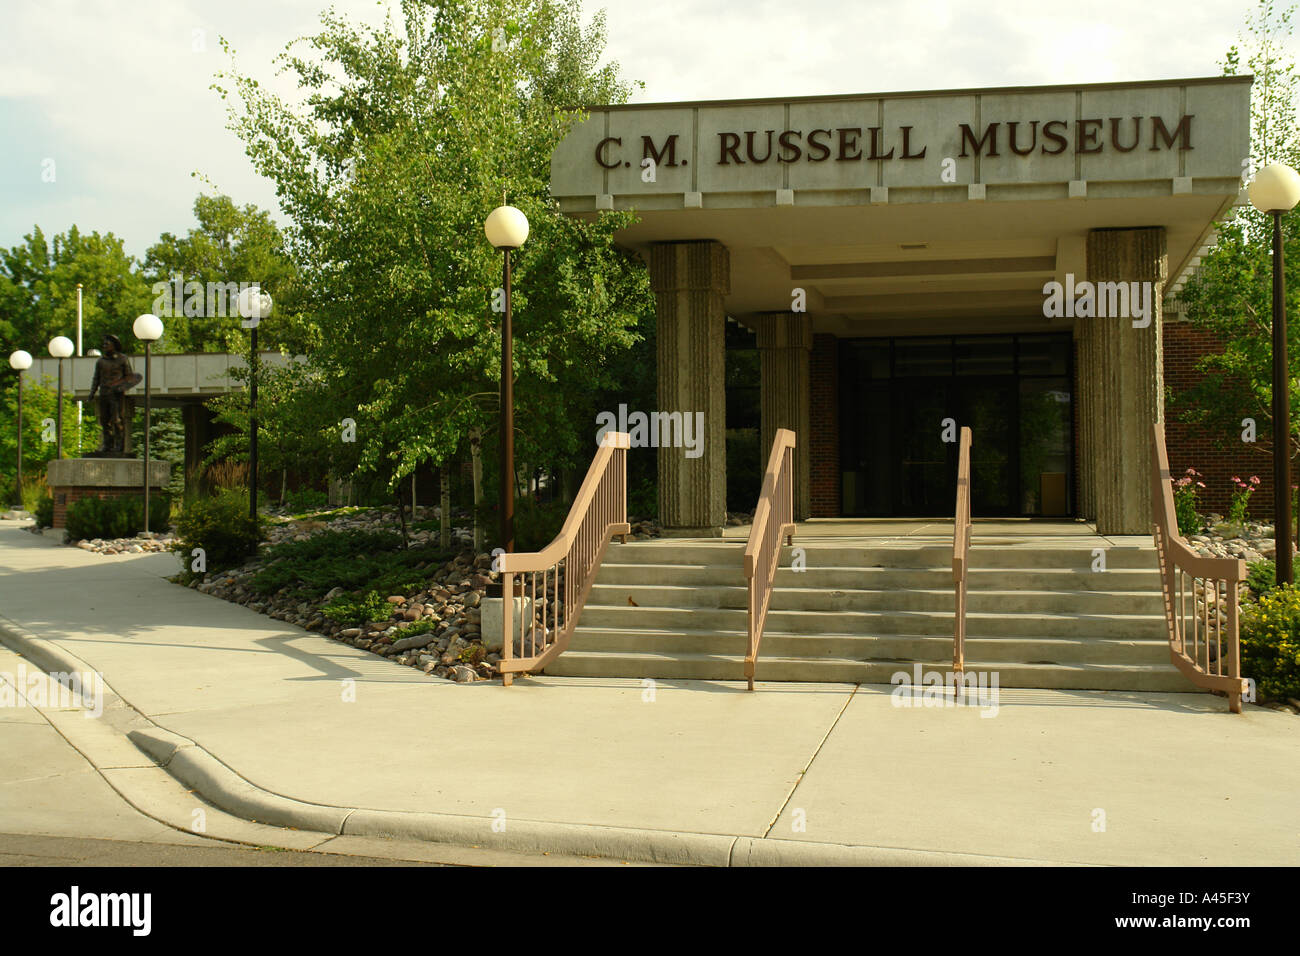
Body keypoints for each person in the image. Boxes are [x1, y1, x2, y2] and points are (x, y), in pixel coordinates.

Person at [88, 334, 138, 456]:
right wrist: (92, 393)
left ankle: (119, 446)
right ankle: (107, 445)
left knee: (117, 420)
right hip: (104, 394)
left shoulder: (123, 359)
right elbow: (96, 378)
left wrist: (120, 387)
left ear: (114, 345)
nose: (104, 346)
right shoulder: (100, 361)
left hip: (116, 395)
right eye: (104, 344)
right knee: (105, 421)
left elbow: (129, 377)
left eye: (107, 344)